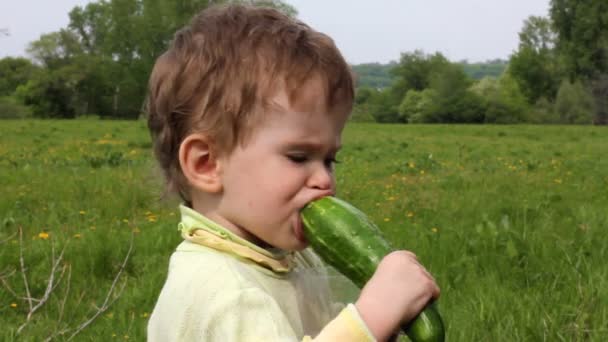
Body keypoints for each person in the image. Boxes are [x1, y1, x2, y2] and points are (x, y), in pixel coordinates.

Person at [146, 4, 439, 341]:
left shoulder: (291, 259)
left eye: (330, 160)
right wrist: (373, 316)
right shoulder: (225, 294)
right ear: (207, 164)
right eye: (299, 157)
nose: (324, 180)